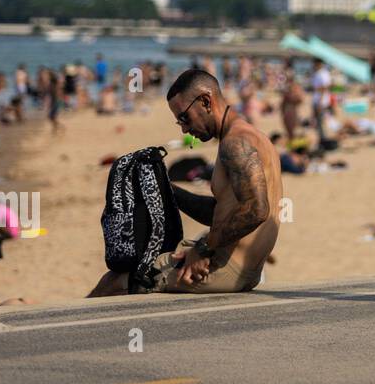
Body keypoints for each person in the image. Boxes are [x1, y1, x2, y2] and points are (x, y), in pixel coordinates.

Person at [88, 69, 282, 295]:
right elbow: (221, 212)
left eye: (184, 117)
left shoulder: (236, 143)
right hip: (243, 269)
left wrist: (203, 248)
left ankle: (73, 329)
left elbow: (256, 209)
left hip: (223, 268)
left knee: (116, 280)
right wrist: (168, 191)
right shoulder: (252, 136)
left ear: (206, 101)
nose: (184, 129)